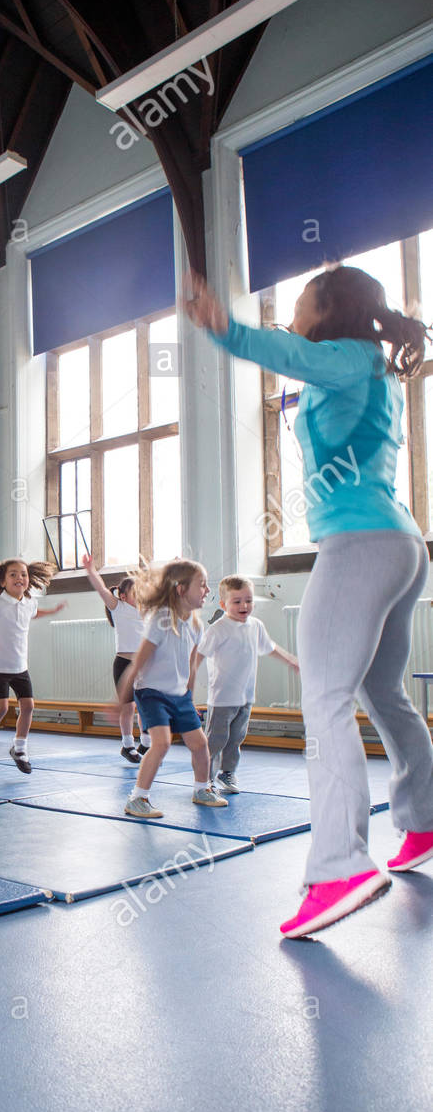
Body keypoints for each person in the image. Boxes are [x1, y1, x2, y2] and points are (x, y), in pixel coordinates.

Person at [186, 265, 433, 937]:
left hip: (359, 543)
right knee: (385, 695)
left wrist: (226, 328)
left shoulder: (345, 357)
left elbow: (289, 353)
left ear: (328, 309)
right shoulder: (373, 368)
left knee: (323, 700)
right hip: (399, 544)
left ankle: (340, 866)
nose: (292, 312)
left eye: (299, 302)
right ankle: (423, 823)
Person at [118, 559, 228, 817]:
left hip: (179, 695)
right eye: (201, 585)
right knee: (162, 743)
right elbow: (139, 660)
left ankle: (202, 789)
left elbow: (191, 662)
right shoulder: (162, 619)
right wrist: (120, 697)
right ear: (181, 590)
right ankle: (138, 798)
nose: (207, 591)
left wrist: (188, 695)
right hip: (151, 692)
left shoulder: (197, 624)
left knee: (200, 744)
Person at [191, 575, 299, 792]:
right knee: (216, 740)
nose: (244, 605)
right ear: (224, 604)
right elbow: (199, 654)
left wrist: (290, 660)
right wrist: (189, 679)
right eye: (237, 601)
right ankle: (205, 779)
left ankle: (227, 773)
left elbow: (270, 648)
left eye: (248, 600)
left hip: (245, 696)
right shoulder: (219, 629)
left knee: (236, 739)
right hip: (222, 698)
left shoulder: (255, 626)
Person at [0, 558, 66, 775]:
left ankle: (19, 749)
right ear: (2, 581)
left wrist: (53, 611)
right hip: (0, 667)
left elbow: (33, 614)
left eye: (23, 574)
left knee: (28, 706)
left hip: (20, 666)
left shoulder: (29, 602)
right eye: (13, 574)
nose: (19, 577)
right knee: (1, 708)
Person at [82, 552, 149, 762]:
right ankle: (127, 745)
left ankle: (146, 743)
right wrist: (91, 570)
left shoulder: (148, 612)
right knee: (127, 706)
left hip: (144, 664)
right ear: (123, 596)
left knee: (146, 704)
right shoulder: (118, 608)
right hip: (123, 662)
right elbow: (101, 589)